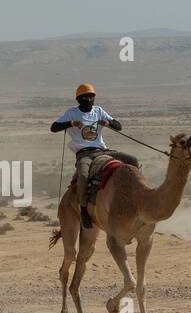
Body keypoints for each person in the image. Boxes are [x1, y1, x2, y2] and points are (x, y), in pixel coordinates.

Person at [50, 83, 133, 229]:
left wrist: (108, 122)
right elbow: (54, 127)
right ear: (79, 99)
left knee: (133, 161)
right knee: (83, 175)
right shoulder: (71, 113)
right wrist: (70, 123)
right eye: (85, 97)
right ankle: (83, 211)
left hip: (103, 150)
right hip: (84, 153)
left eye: (91, 96)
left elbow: (119, 126)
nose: (89, 99)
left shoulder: (99, 110)